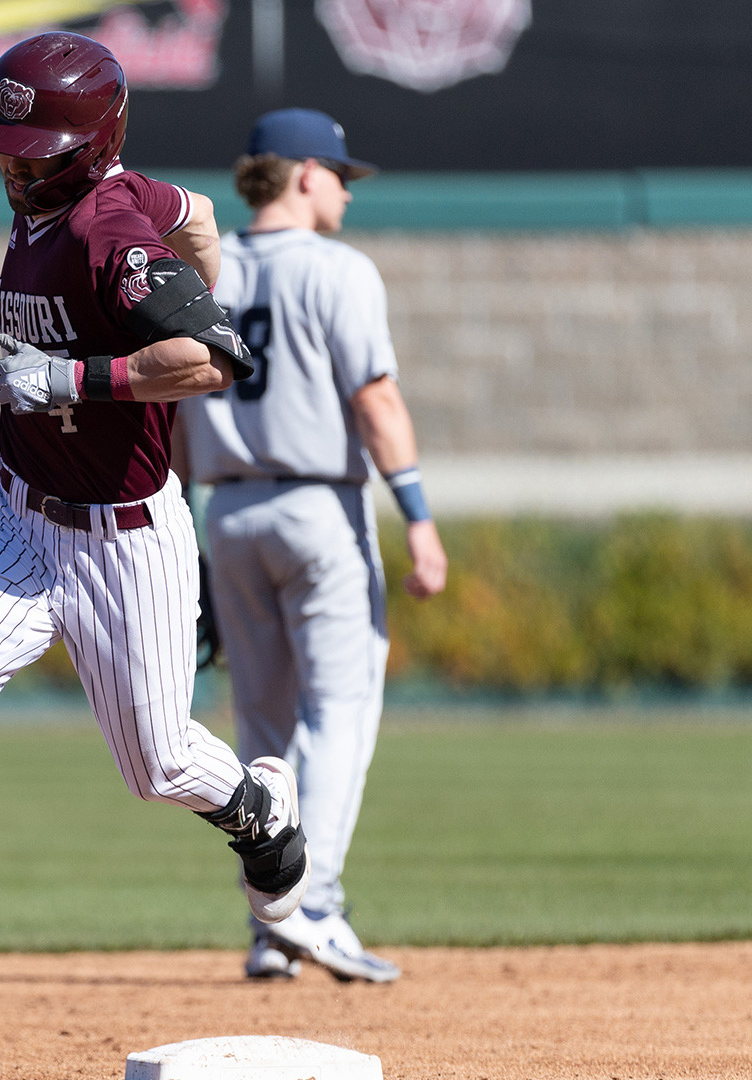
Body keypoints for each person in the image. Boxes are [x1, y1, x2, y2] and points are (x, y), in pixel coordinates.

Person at [0, 32, 310, 1030]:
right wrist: (200, 255)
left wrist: (72, 378)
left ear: (87, 146)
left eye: (33, 147)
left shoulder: (104, 234)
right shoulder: (89, 203)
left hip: (124, 539)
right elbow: (197, 213)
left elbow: (216, 360)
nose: (11, 162)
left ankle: (255, 805)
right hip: (17, 517)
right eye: (5, 144)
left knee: (153, 767)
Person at [173, 109, 450, 983]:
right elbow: (376, 403)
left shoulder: (198, 271)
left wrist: (185, 538)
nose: (344, 191)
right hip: (318, 511)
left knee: (262, 720)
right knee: (341, 710)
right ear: (300, 175)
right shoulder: (337, 270)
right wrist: (420, 518)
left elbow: (176, 414)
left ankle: (268, 920)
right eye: (337, 174)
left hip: (229, 514)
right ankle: (312, 904)